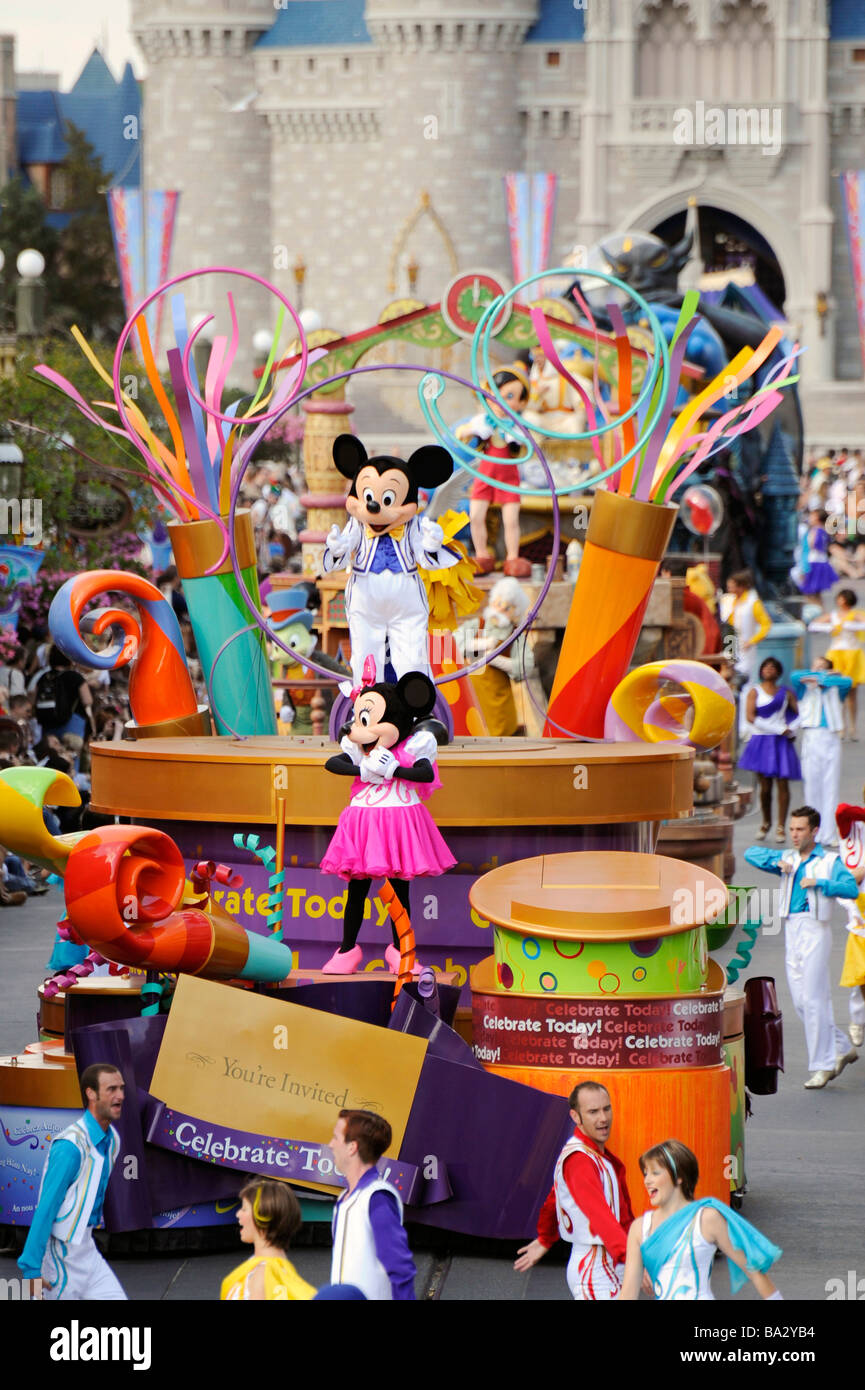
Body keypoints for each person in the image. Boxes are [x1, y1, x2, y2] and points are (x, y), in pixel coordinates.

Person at [745, 806, 859, 1088]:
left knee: (814, 997)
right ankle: (841, 1046)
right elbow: (751, 854)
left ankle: (823, 1064)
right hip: (792, 928)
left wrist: (820, 883)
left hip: (815, 929)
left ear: (814, 831)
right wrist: (778, 864)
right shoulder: (788, 857)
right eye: (792, 829)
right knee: (799, 999)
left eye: (800, 830)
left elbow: (850, 889)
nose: (794, 835)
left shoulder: (829, 860)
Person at [513, 1082, 634, 1300]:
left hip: (608, 1262)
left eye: (606, 1108)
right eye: (593, 1112)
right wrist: (632, 1258)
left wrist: (545, 1238)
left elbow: (555, 1197)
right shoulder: (580, 1160)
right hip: (595, 1268)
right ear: (575, 1116)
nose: (603, 1118)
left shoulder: (591, 1155)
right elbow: (600, 1216)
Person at [619, 1140, 782, 1301]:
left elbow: (752, 1269)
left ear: (678, 1177)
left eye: (655, 1173)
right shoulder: (639, 1228)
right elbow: (628, 1294)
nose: (647, 1181)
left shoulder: (707, 1218)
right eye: (645, 1173)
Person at [18, 1062, 126, 1299]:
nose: (120, 1096)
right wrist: (31, 1270)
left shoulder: (113, 1141)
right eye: (111, 1089)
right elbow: (46, 1208)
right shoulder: (70, 1147)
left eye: (121, 1088)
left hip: (87, 1250)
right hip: (60, 1256)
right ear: (91, 1093)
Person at [327, 1109, 416, 1300]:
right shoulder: (346, 1198)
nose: (331, 1144)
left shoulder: (377, 1198)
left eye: (336, 1138)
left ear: (352, 1147)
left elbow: (399, 1266)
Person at [459, 357, 532, 579]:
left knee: (511, 520)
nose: (506, 402)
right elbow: (463, 435)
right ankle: (481, 554)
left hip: (508, 478)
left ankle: (512, 557)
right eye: (501, 395)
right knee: (476, 515)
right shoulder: (483, 422)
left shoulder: (517, 427)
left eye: (513, 397)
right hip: (485, 476)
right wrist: (469, 432)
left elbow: (527, 445)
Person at [221, 1179, 316, 1300]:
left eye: (244, 1209)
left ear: (262, 1216)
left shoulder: (261, 1275)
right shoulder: (280, 1269)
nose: (238, 1214)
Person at [738, 657, 800, 844]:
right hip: (762, 741)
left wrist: (791, 729)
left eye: (773, 667)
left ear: (778, 671)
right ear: (761, 671)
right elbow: (750, 717)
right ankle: (766, 822)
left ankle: (781, 825)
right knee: (765, 787)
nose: (769, 670)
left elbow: (797, 714)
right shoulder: (754, 692)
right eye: (766, 667)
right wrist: (777, 729)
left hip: (780, 743)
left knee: (783, 785)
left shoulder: (787, 692)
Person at [791, 657, 851, 846]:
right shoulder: (804, 688)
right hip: (812, 737)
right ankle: (812, 833)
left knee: (830, 786)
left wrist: (823, 678)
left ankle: (829, 833)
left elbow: (847, 681)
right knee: (811, 786)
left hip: (831, 737)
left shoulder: (836, 688)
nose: (816, 670)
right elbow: (795, 676)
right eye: (814, 666)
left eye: (822, 667)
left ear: (830, 670)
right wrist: (817, 676)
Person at [809, 589, 865, 739]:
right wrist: (828, 628)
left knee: (851, 693)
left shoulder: (855, 615)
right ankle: (840, 726)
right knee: (836, 692)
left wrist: (851, 626)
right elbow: (813, 625)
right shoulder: (833, 615)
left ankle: (853, 727)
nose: (840, 601)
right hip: (836, 654)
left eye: (843, 599)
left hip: (852, 653)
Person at [835, 803, 865, 1048]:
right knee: (861, 972)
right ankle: (857, 1020)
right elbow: (842, 810)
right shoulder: (852, 826)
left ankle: (858, 1019)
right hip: (858, 907)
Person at [31, 646, 96, 744]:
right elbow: (87, 700)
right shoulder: (75, 677)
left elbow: (33, 699)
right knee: (70, 753)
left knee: (50, 752)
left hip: (47, 722)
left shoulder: (44, 677)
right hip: (71, 723)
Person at [719, 568, 771, 686]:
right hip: (730, 644)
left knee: (744, 678)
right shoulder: (728, 600)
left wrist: (751, 641)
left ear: (741, 587)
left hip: (745, 647)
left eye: (732, 586)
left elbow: (766, 625)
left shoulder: (753, 602)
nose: (729, 589)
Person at [793, 508, 837, 608]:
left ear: (817, 518)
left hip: (813, 563)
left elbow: (811, 546)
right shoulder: (824, 531)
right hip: (821, 562)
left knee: (810, 593)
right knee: (817, 594)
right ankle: (820, 611)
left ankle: (815, 614)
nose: (809, 518)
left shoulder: (815, 531)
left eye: (812, 516)